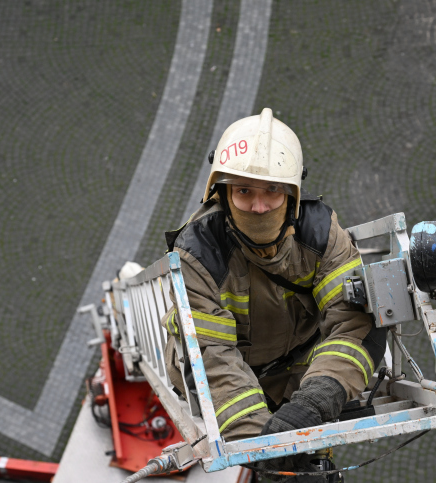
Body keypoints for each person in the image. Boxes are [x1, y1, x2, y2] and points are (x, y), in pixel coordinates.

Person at [161, 108, 386, 481]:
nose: (259, 206)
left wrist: (316, 400)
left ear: (292, 194)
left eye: (273, 190)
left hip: (300, 368)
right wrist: (268, 451)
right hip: (236, 377)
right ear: (222, 192)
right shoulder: (197, 256)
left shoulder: (322, 234)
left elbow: (353, 321)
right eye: (243, 191)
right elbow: (211, 360)